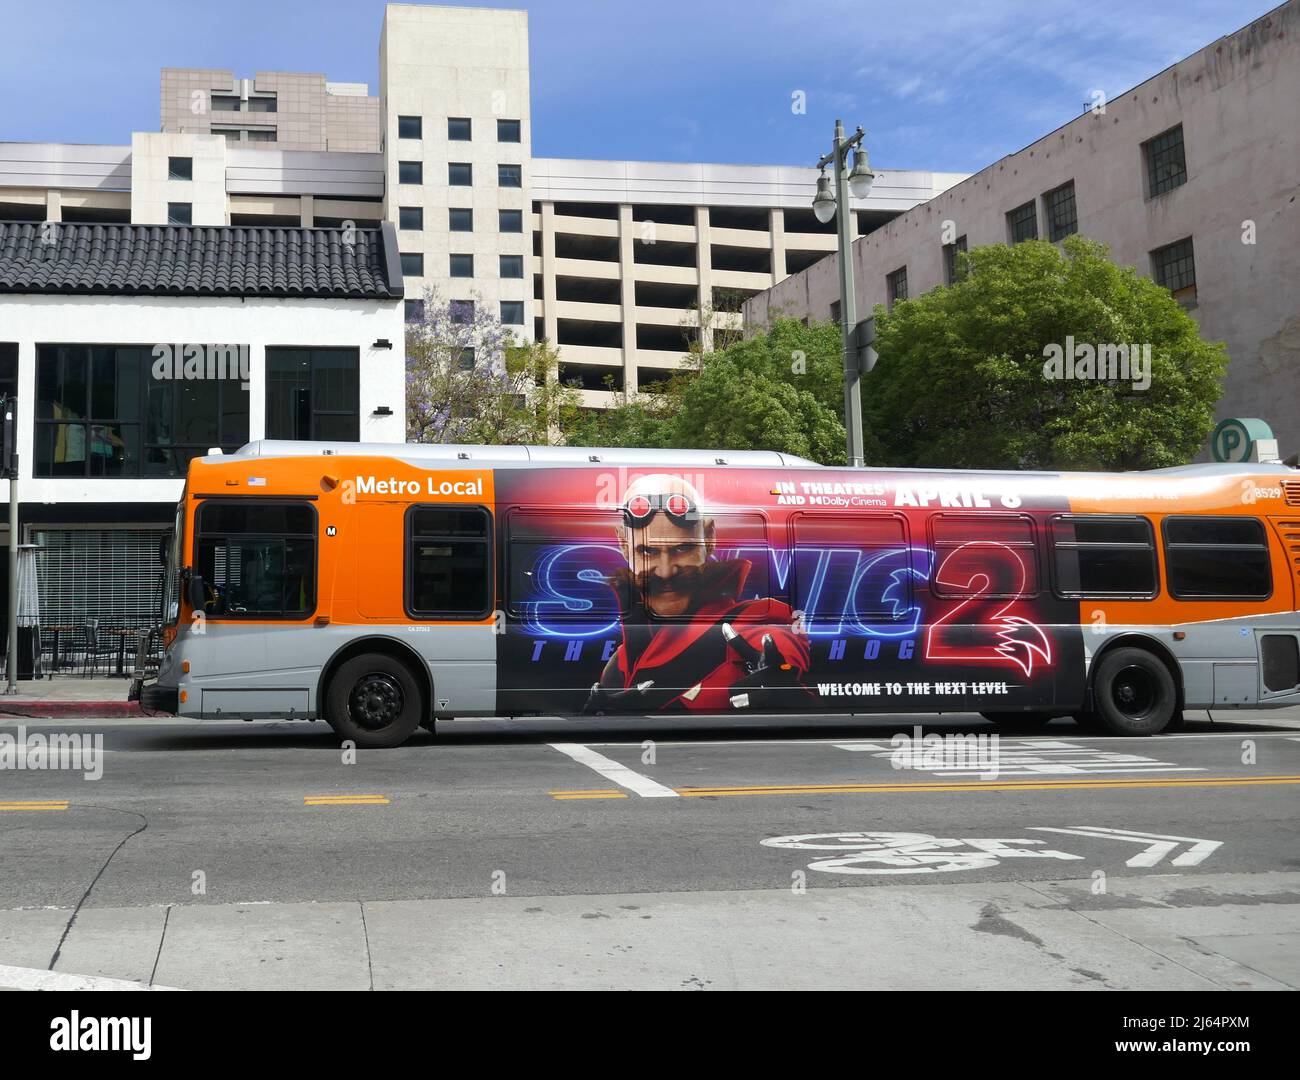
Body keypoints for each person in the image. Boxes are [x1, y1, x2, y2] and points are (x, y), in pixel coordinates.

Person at [584, 474, 811, 714]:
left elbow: (777, 639)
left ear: (709, 536)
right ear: (623, 545)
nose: (665, 570)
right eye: (648, 551)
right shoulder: (621, 663)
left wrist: (781, 675)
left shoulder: (747, 620)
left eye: (682, 548)